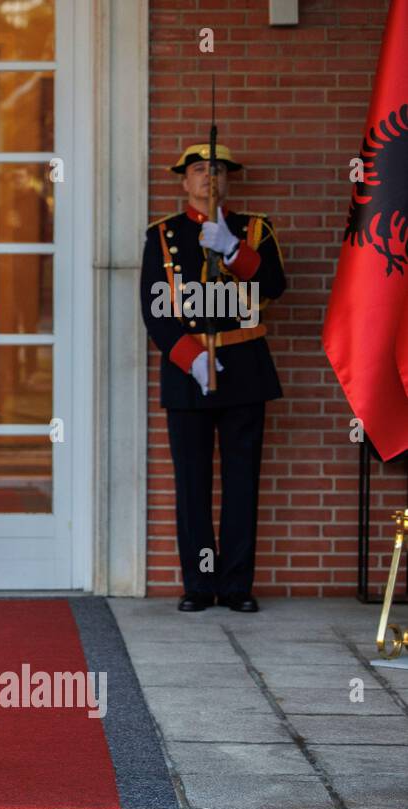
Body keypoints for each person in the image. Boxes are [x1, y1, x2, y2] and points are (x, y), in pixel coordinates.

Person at [140, 143, 286, 613]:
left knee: (242, 483)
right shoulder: (163, 234)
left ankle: (237, 586)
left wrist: (234, 251)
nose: (209, 177)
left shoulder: (253, 231)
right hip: (190, 373)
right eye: (199, 170)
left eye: (218, 170)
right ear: (184, 181)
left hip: (244, 369)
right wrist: (192, 358)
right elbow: (154, 308)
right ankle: (200, 585)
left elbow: (275, 287)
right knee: (193, 486)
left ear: (228, 180)